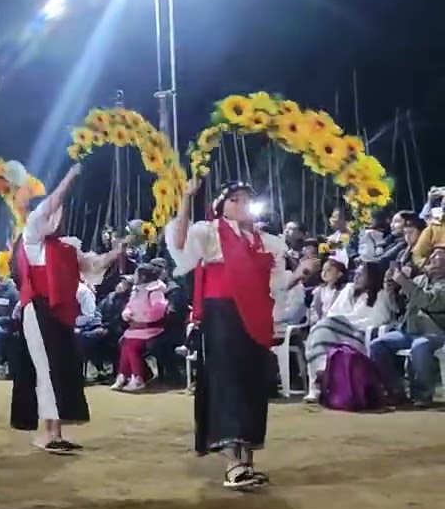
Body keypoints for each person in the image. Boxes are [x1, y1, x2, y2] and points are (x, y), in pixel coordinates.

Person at [167, 179, 308, 490]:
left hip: (255, 317)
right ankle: (233, 463)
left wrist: (301, 273)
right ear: (222, 205)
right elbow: (179, 244)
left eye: (246, 198)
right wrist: (186, 199)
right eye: (235, 199)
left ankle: (247, 462)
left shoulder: (266, 242)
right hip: (223, 315)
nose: (242, 203)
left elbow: (277, 284)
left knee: (252, 384)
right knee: (228, 382)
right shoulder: (210, 232)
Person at [9, 163, 121, 453]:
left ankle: (55, 431)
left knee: (60, 369)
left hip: (61, 314)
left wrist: (119, 250)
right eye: (55, 212)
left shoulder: (68, 247)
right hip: (39, 310)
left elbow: (95, 265)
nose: (59, 216)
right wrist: (70, 177)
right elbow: (50, 204)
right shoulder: (32, 238)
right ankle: (50, 433)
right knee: (46, 370)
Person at [303, 260, 393, 402]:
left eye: (361, 274)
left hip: (359, 334)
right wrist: (341, 322)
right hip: (336, 331)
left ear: (371, 277)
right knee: (319, 332)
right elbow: (334, 312)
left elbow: (379, 320)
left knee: (321, 330)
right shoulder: (349, 290)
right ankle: (319, 377)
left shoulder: (381, 295)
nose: (356, 277)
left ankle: (320, 378)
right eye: (356, 273)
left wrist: (347, 323)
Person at [368, 246, 445, 407]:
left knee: (420, 346)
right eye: (433, 255)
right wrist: (390, 288)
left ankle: (422, 394)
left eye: (439, 256)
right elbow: (398, 308)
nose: (432, 258)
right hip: (409, 329)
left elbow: (429, 301)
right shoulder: (419, 280)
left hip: (435, 332)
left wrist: (403, 281)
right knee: (378, 345)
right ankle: (395, 391)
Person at [112, 264, 170, 391]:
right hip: (136, 328)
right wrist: (127, 315)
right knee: (125, 343)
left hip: (152, 328)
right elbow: (129, 306)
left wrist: (144, 321)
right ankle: (123, 376)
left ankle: (138, 379)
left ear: (144, 276)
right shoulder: (136, 290)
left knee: (132, 346)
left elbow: (159, 310)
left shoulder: (155, 291)